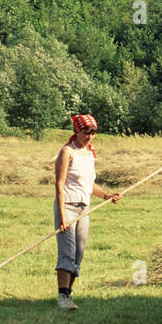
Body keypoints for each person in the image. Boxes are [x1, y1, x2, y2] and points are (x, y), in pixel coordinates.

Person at [54, 113, 120, 311]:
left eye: (93, 133)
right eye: (86, 132)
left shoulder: (89, 153)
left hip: (84, 207)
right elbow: (59, 184)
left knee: (78, 253)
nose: (89, 136)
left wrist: (106, 195)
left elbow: (89, 185)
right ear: (77, 131)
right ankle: (62, 298)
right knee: (67, 252)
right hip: (67, 206)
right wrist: (62, 216)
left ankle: (68, 295)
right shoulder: (67, 152)